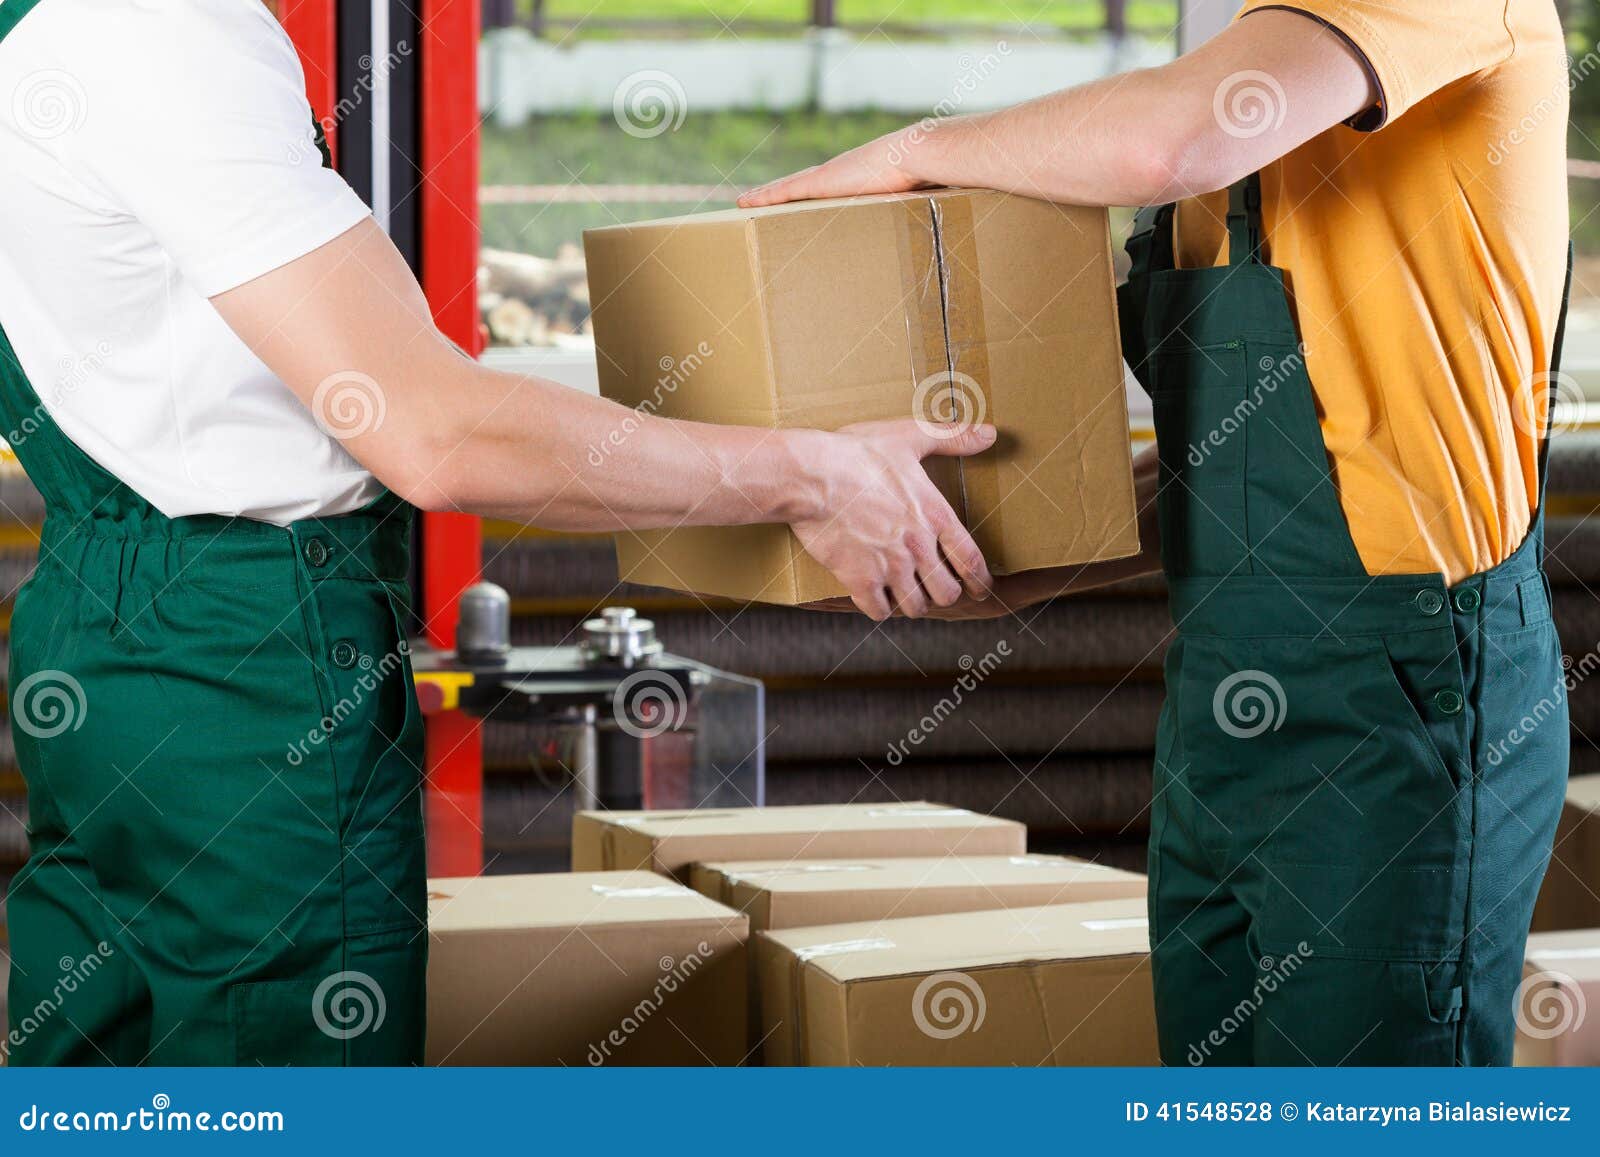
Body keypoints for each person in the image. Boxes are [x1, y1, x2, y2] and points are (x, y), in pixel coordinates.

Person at [0, 0, 996, 1065]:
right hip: (245, 654)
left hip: (109, 614)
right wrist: (812, 477)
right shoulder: (160, 31)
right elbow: (435, 430)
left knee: (97, 1063)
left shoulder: (51, 29)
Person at [748, 0, 1573, 1065]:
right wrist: (1017, 559)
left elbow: (1167, 135)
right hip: (1225, 705)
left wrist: (918, 155)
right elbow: (1248, 449)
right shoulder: (1249, 118)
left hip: (1402, 693)